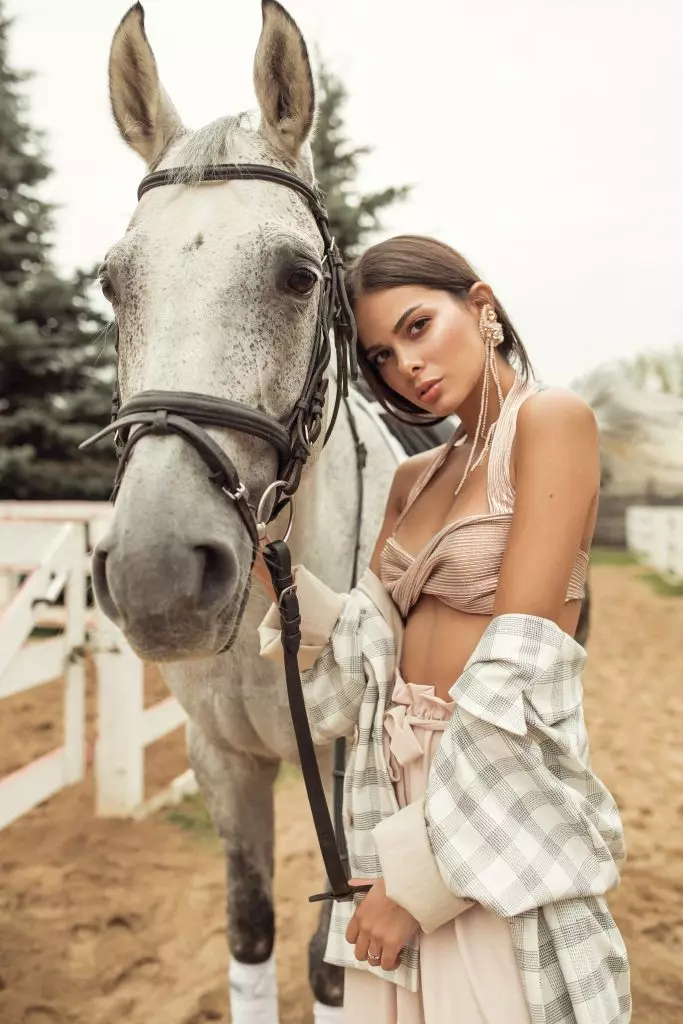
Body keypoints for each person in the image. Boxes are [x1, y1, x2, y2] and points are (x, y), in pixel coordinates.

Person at [257, 235, 631, 1023]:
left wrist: (416, 883)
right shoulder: (412, 475)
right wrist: (275, 570)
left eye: (418, 327)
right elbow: (369, 650)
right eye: (382, 356)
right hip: (392, 787)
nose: (406, 367)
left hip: (493, 787)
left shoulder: (550, 421)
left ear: (482, 307)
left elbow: (515, 670)